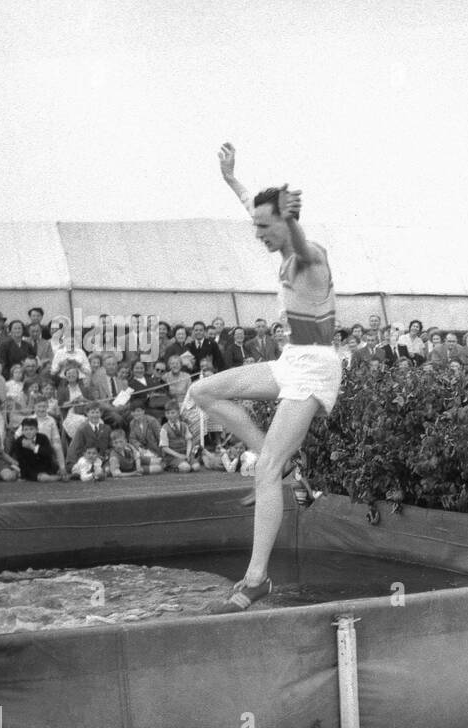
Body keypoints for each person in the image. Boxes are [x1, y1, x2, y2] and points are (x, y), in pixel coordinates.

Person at [196, 143, 340, 611]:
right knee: (204, 391)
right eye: (256, 225)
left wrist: (294, 222)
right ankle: (276, 459)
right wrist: (231, 179)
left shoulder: (309, 255)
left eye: (264, 226)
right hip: (291, 359)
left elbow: (300, 243)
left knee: (266, 473)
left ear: (285, 221)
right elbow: (255, 211)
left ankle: (256, 579)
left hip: (315, 369)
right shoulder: (278, 240)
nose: (256, 233)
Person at [11, 417, 62, 482]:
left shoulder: (43, 438)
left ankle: (60, 475)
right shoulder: (19, 441)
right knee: (43, 478)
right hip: (31, 469)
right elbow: (21, 460)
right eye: (25, 430)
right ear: (22, 431)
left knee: (57, 470)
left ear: (37, 430)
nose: (28, 432)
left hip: (46, 465)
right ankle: (59, 478)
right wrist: (23, 476)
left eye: (31, 429)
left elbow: (49, 453)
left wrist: (33, 447)